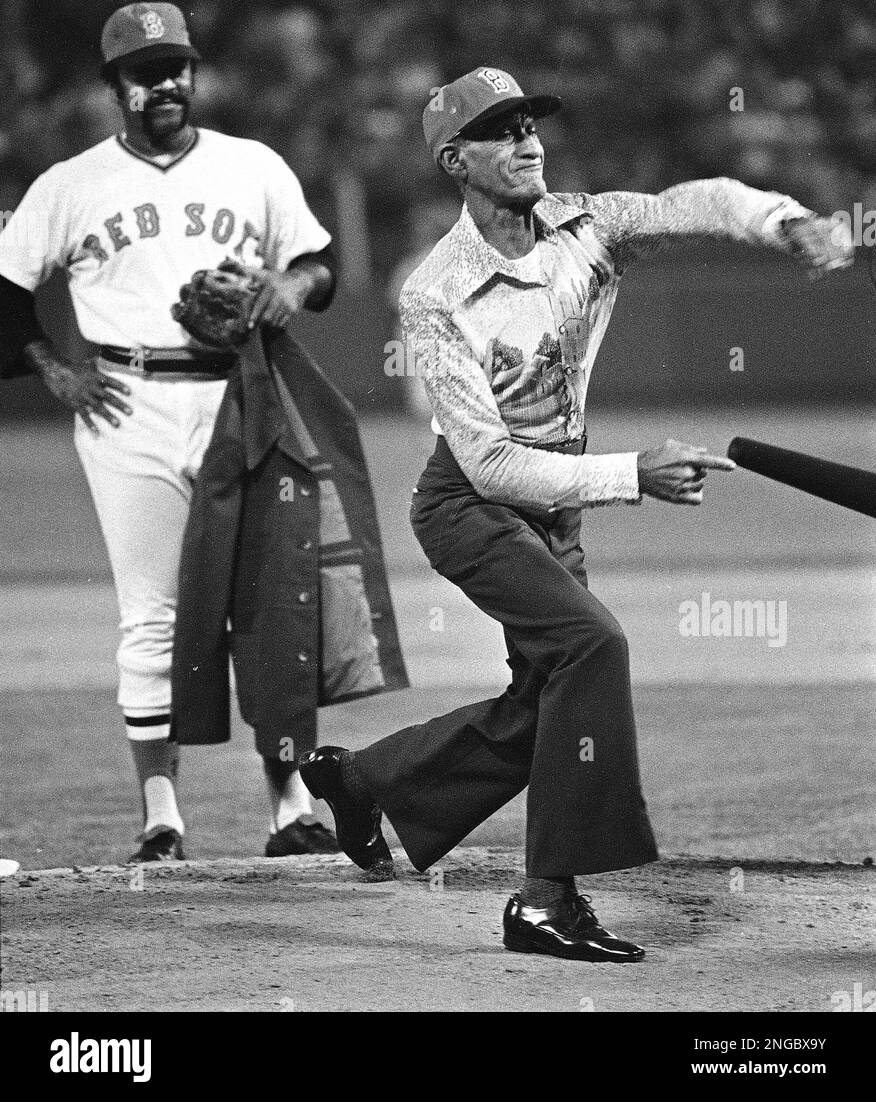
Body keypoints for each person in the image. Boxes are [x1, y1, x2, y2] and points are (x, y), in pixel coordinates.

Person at [298, 64, 853, 961]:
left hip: (549, 499)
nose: (527, 140)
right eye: (501, 129)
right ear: (455, 159)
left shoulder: (588, 226)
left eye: (531, 123)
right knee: (594, 647)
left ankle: (360, 781)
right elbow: (485, 461)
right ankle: (544, 900)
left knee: (543, 705)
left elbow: (693, 200)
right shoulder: (436, 292)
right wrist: (634, 472)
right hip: (469, 504)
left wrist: (784, 221)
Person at [0, 1, 342, 861]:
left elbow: (318, 264)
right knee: (151, 615)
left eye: (178, 68)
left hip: (241, 398)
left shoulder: (251, 166)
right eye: (147, 73)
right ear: (115, 86)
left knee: (269, 610)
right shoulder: (70, 185)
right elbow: (5, 294)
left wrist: (292, 290)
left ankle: (291, 809)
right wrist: (56, 370)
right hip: (129, 408)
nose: (167, 85)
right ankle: (162, 820)